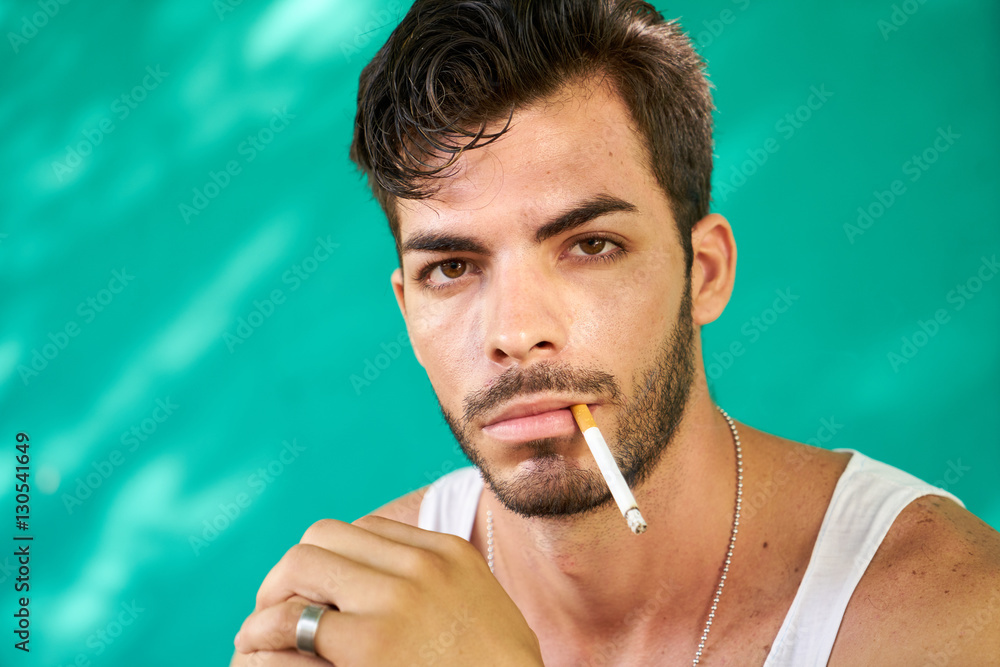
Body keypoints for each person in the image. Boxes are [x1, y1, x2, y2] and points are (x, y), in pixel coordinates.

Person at [231, 1, 1000, 664]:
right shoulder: (339, 620)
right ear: (407, 310)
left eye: (590, 245)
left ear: (704, 272)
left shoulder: (947, 615)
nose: (516, 332)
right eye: (453, 267)